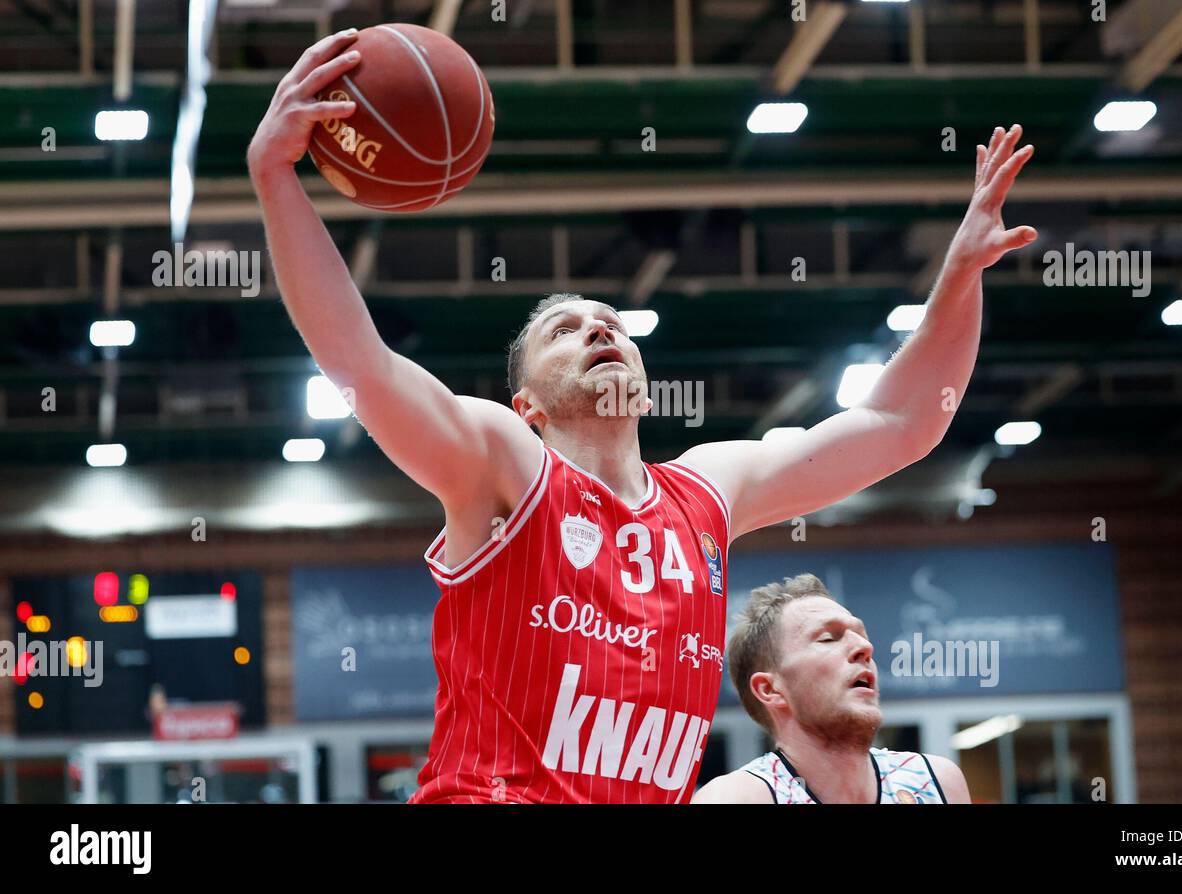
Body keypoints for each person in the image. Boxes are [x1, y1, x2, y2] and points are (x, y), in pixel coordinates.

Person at [246, 29, 1035, 803]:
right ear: (527, 406)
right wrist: (275, 176)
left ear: (647, 387)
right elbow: (358, 361)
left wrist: (959, 276)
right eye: (567, 329)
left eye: (613, 322)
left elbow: (904, 423)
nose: (599, 329)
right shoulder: (503, 465)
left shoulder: (708, 491)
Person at [693, 574, 971, 804]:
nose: (865, 648)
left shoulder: (937, 781)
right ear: (770, 689)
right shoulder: (735, 798)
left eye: (861, 636)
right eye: (828, 639)